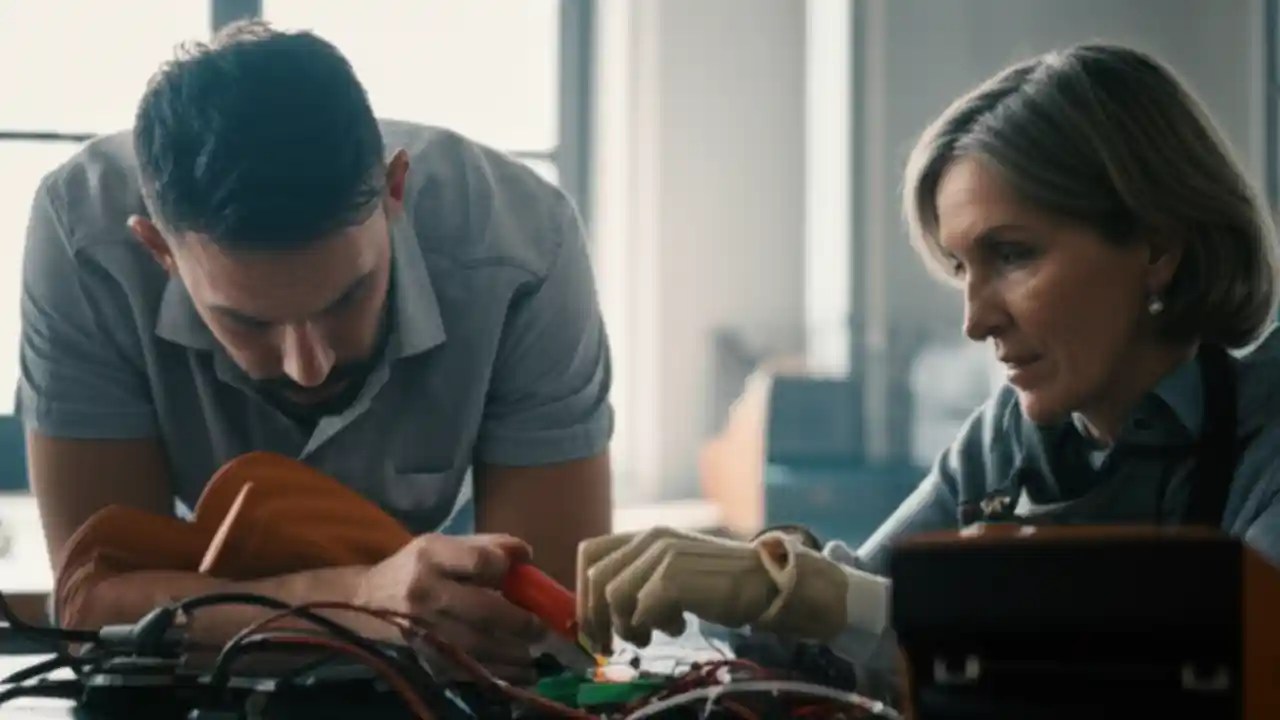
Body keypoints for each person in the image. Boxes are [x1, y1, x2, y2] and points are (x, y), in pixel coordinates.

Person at [576, 42, 1280, 691]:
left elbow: (1212, 676)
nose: (976, 320)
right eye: (962, 268)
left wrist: (827, 599)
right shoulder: (1003, 443)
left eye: (1013, 255)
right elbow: (844, 634)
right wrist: (763, 583)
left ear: (1157, 248)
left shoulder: (1265, 441)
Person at [19, 21, 612, 682]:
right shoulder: (83, 240)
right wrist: (364, 603)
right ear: (160, 251)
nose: (310, 366)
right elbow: (93, 618)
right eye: (247, 321)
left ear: (394, 192)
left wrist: (233, 615)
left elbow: (543, 636)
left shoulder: (527, 247)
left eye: (347, 298)